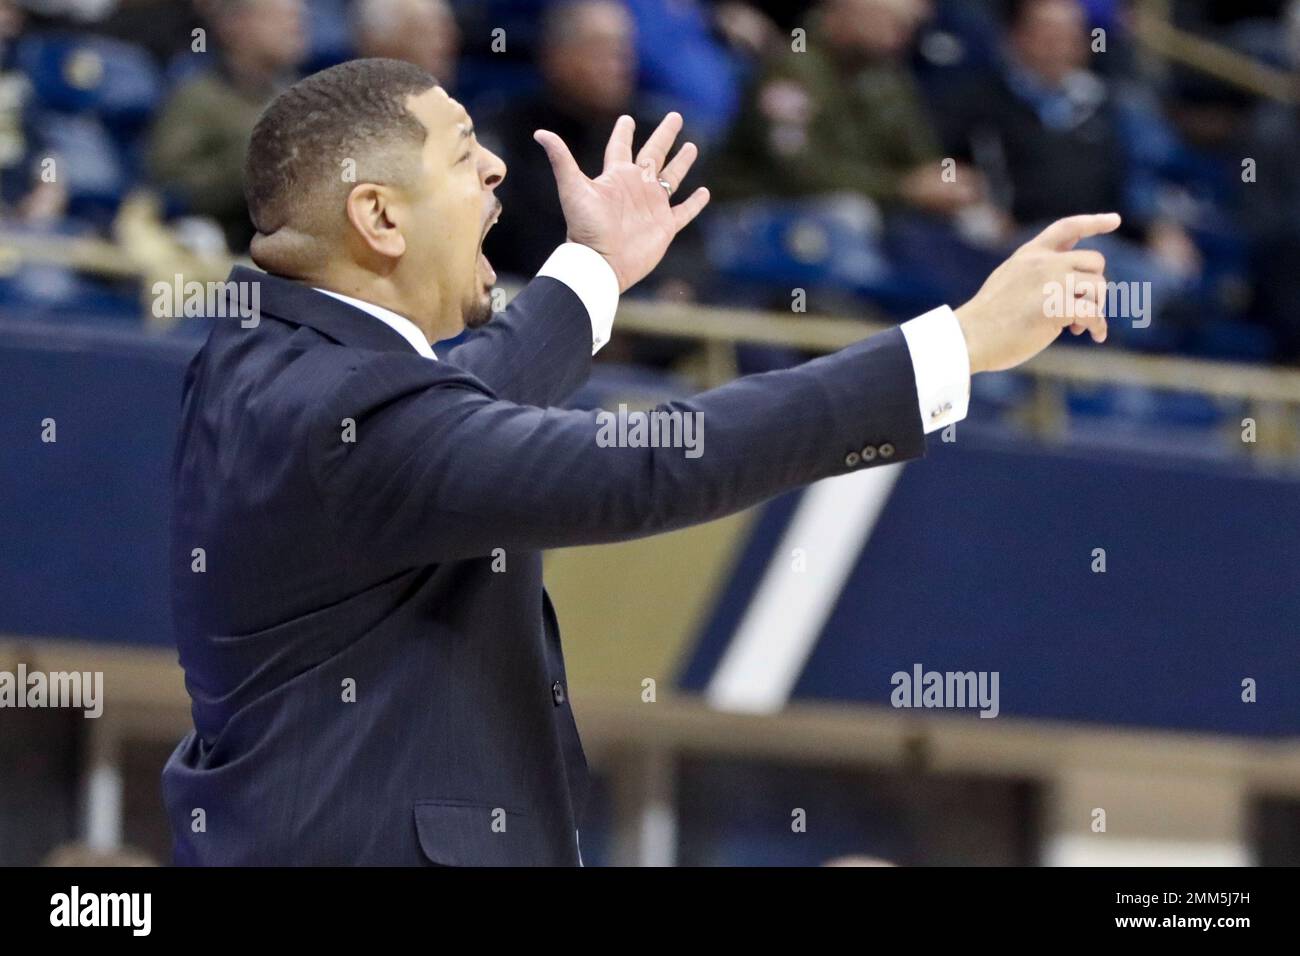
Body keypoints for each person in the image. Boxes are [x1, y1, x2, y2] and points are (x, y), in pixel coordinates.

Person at [163, 57, 1115, 865]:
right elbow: (649, 465)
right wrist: (961, 343)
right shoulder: (346, 412)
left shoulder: (269, 366)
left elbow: (462, 405)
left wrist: (594, 267)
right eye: (462, 154)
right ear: (378, 217)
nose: (496, 168)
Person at [147, 0, 306, 252]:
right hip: (216, 242)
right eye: (278, 17)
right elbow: (168, 187)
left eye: (296, 17)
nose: (294, 26)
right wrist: (253, 161)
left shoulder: (301, 97)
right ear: (235, 25)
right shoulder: (197, 98)